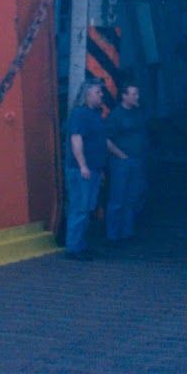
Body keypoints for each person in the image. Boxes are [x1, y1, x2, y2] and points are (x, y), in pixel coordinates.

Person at [63, 80, 111, 259]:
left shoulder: (95, 114)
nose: (101, 95)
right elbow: (76, 140)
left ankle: (80, 244)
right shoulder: (80, 114)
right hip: (82, 170)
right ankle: (74, 248)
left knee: (86, 207)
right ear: (87, 95)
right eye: (98, 92)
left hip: (94, 169)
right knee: (80, 208)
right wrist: (83, 165)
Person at [105, 80, 150, 242]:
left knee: (132, 198)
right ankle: (113, 235)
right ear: (124, 96)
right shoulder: (116, 115)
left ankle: (127, 232)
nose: (137, 96)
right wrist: (121, 155)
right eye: (134, 94)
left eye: (137, 93)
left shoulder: (139, 113)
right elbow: (107, 140)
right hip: (121, 163)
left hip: (137, 161)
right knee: (117, 199)